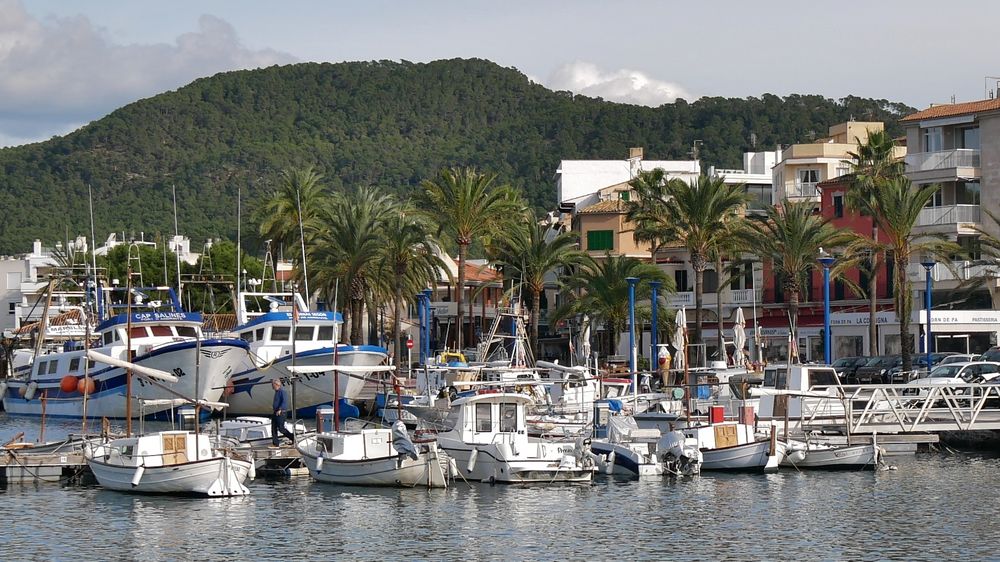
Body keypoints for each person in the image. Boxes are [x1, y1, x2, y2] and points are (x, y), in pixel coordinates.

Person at [271, 379, 296, 447]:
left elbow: (284, 401)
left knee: (281, 428)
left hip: (281, 413)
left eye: (272, 384)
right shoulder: (277, 392)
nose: (272, 386)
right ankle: (275, 443)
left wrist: (280, 409)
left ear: (277, 385)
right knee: (273, 428)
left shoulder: (282, 391)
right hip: (275, 412)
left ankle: (293, 438)